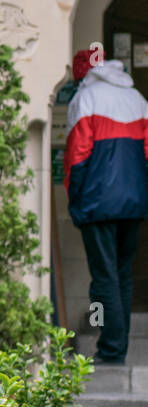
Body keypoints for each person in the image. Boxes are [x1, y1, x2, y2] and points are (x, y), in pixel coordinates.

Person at [64, 48, 148, 365]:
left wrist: (75, 199)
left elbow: (77, 156)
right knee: (122, 276)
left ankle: (109, 348)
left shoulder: (85, 98)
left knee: (103, 277)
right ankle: (117, 346)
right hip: (134, 204)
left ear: (82, 74)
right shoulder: (137, 98)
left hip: (97, 203)